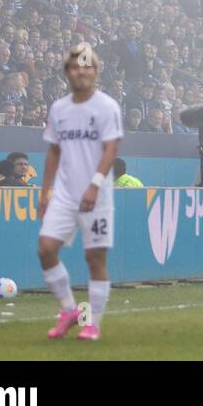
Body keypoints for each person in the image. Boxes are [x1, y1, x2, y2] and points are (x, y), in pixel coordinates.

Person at [37, 42, 123, 342]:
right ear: (67, 73)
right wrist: (45, 191)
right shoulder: (59, 108)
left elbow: (112, 147)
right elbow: (53, 150)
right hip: (64, 193)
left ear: (95, 71)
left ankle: (93, 323)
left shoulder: (106, 106)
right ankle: (70, 310)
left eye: (87, 66)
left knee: (94, 258)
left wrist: (95, 183)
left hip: (96, 195)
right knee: (46, 248)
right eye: (75, 66)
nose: (81, 71)